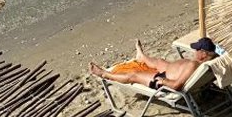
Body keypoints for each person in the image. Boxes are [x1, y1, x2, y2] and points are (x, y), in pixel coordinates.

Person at [88, 37, 216, 90]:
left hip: (165, 80)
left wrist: (163, 81)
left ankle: (104, 74)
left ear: (203, 53)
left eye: (197, 49)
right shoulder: (213, 60)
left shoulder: (194, 65)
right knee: (160, 61)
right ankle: (142, 56)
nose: (194, 51)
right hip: (169, 72)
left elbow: (177, 85)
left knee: (134, 74)